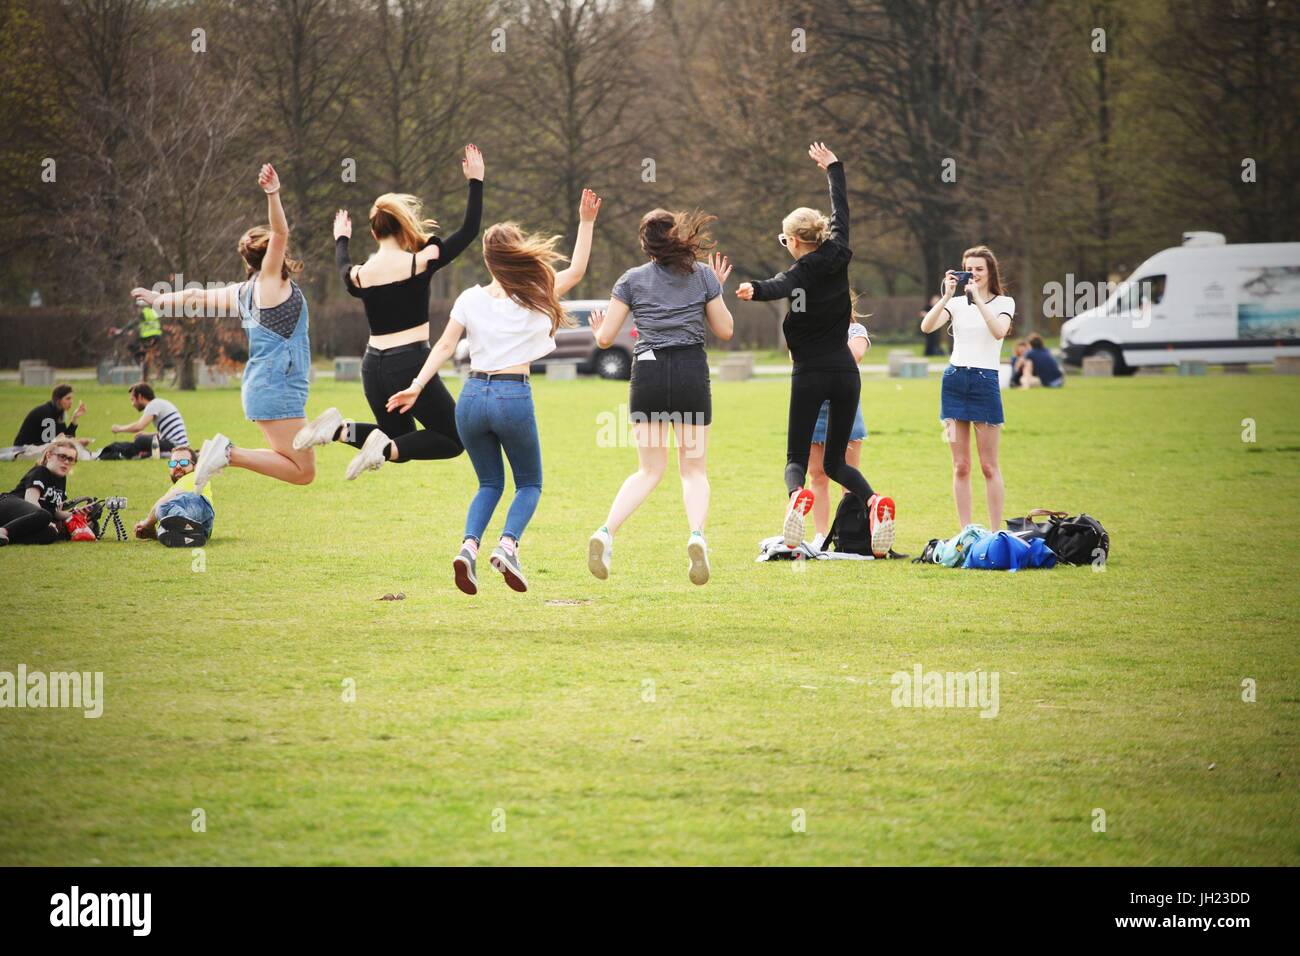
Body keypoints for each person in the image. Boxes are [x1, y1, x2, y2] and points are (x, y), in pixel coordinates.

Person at [385, 188, 602, 595]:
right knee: (529, 484)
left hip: (470, 398)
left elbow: (446, 346)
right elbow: (577, 268)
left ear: (487, 260)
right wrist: (586, 222)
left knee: (488, 484)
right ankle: (507, 547)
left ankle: (468, 548)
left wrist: (416, 386)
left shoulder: (470, 298)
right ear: (518, 253)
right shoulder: (537, 290)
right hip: (511, 395)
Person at [736, 142, 896, 557]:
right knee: (838, 463)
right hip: (846, 373)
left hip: (810, 373)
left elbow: (780, 286)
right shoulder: (839, 252)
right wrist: (834, 168)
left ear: (793, 240)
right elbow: (843, 213)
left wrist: (753, 290)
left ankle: (796, 498)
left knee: (797, 458)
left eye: (783, 239)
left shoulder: (801, 268)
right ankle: (876, 502)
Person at [293, 145, 485, 479]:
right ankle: (359, 441)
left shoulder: (360, 275)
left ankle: (338, 429)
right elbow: (469, 231)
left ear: (374, 232)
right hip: (408, 364)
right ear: (402, 227)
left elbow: (342, 268)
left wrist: (341, 240)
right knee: (453, 439)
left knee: (397, 441)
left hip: (373, 368)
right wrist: (476, 182)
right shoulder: (420, 262)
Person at [131, 163, 317, 492]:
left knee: (296, 464)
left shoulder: (242, 292)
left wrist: (160, 300)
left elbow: (195, 296)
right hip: (276, 385)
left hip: (268, 385)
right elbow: (281, 232)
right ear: (271, 256)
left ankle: (226, 453)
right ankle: (228, 453)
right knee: (302, 471)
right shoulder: (269, 282)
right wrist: (273, 194)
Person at [584, 211, 735, 585]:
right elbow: (726, 330)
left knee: (649, 470)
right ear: (677, 236)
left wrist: (598, 330)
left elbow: (605, 339)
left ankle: (605, 532)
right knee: (694, 469)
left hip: (648, 372)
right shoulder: (702, 275)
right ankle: (697, 536)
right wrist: (714, 289)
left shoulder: (631, 280)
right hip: (689, 372)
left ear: (645, 243)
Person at [919, 244, 1015, 531]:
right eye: (968, 268)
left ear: (990, 272)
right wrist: (948, 296)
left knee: (988, 466)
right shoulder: (956, 304)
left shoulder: (1003, 303)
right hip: (954, 381)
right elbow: (926, 327)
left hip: (985, 382)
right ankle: (966, 531)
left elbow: (999, 332)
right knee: (961, 466)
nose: (973, 274)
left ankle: (997, 531)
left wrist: (978, 300)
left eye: (979, 269)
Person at [808, 320, 870, 548]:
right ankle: (820, 535)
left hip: (846, 405)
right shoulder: (811, 327)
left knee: (849, 477)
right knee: (817, 475)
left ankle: (849, 534)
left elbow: (854, 355)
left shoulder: (856, 331)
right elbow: (796, 357)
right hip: (814, 405)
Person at [0, 436, 89, 545]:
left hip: (24, 519)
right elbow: (31, 501)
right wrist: (47, 520)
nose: (66, 462)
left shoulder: (61, 480)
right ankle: (2, 531)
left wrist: (76, 514)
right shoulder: (41, 471)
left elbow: (54, 512)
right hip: (6, 505)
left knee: (51, 533)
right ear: (49, 455)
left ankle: (6, 539)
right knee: (45, 516)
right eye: (62, 456)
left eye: (70, 459)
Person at [133, 445, 215, 548]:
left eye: (184, 462)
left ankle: (188, 529)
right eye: (173, 463)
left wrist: (147, 524)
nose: (178, 466)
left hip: (201, 505)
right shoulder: (177, 486)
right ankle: (191, 535)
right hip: (203, 527)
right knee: (164, 521)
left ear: (195, 466)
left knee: (162, 507)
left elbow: (163, 503)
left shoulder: (194, 476)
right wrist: (154, 534)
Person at [103, 382, 189, 457]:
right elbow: (168, 433)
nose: (132, 404)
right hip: (179, 444)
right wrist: (148, 435)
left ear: (140, 397)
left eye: (133, 400)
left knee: (140, 441)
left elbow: (139, 426)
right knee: (142, 438)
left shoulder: (153, 405)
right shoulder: (159, 403)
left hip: (175, 446)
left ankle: (121, 452)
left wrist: (119, 429)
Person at [13, 384, 88, 448]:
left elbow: (65, 437)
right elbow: (50, 443)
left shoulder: (58, 411)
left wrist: (74, 418)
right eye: (68, 399)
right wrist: (75, 443)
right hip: (23, 449)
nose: (71, 402)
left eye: (71, 398)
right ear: (58, 400)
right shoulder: (47, 412)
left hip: (36, 447)